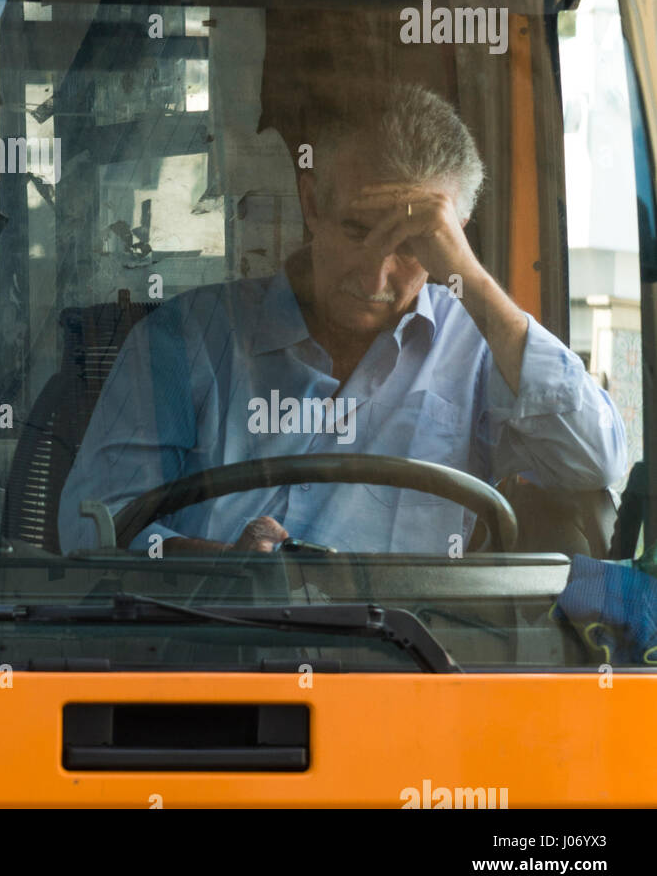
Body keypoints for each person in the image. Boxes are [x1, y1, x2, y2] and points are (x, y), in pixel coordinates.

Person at [58, 84, 626, 555]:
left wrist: (472, 281)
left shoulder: (479, 351)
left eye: (414, 246)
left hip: (408, 669)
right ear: (311, 202)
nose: (374, 277)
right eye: (358, 230)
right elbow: (94, 524)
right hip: (215, 658)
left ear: (455, 237)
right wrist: (226, 569)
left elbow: (594, 460)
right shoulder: (189, 338)